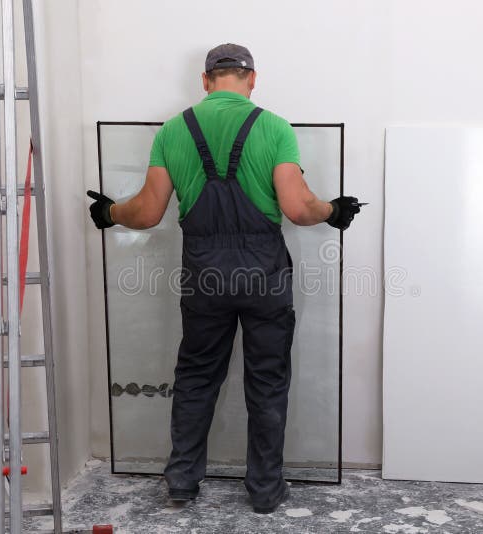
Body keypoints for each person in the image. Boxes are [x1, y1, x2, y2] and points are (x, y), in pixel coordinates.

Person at [87, 43, 362, 514]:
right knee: (267, 380)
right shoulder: (273, 127)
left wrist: (109, 212)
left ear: (206, 80)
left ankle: (182, 483)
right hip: (265, 275)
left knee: (196, 376)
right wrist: (334, 210)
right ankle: (264, 490)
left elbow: (148, 212)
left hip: (204, 275)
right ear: (251, 79)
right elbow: (298, 208)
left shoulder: (174, 131)